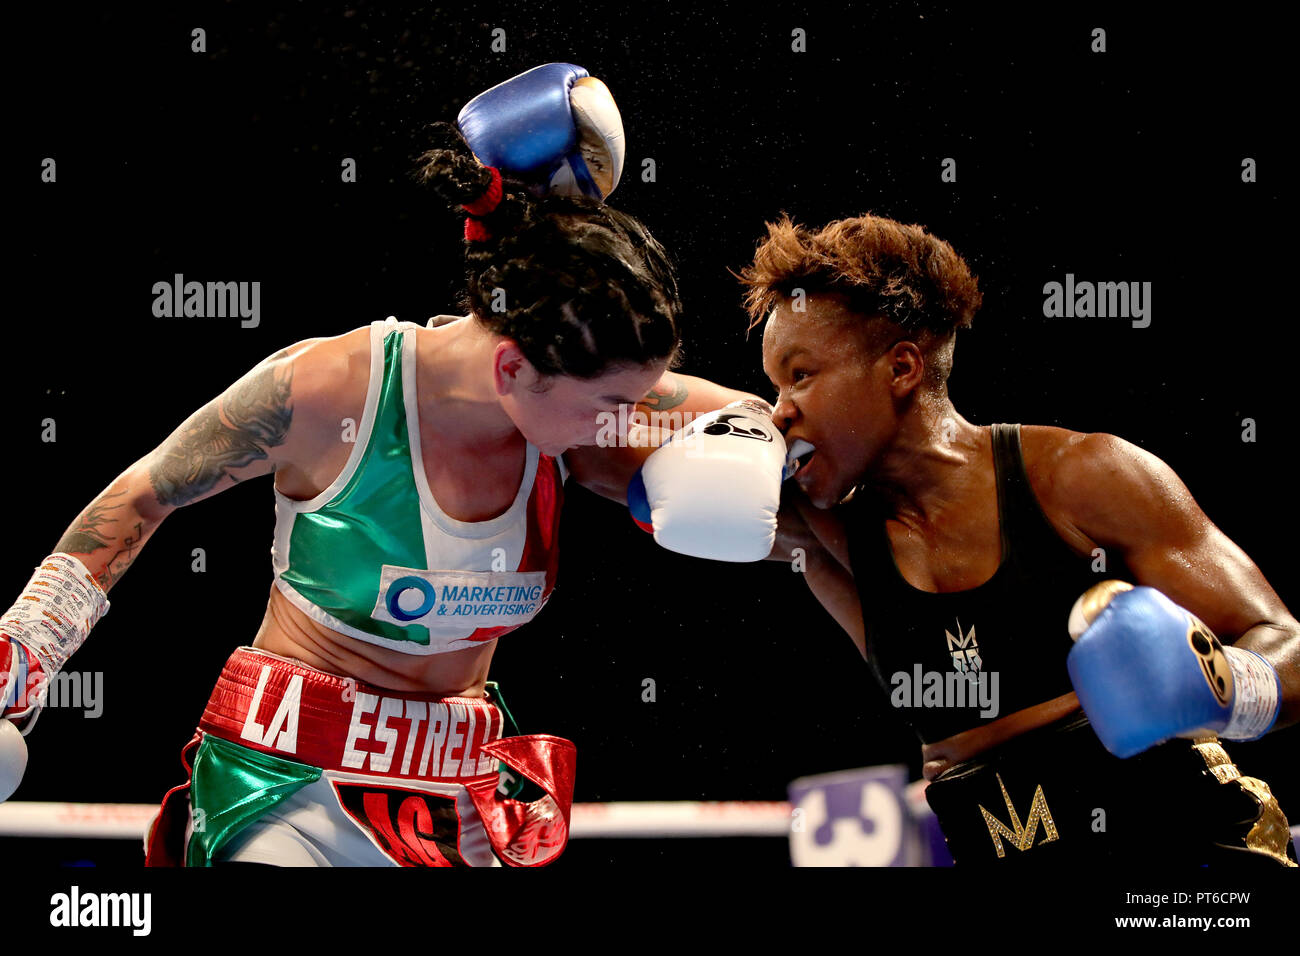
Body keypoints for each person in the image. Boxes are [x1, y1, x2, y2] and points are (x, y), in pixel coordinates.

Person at [0, 64, 757, 867]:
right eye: (607, 405)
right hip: (287, 787)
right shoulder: (333, 389)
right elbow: (147, 491)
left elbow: (751, 417)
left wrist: (757, 456)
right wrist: (26, 646)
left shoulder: (583, 381)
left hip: (458, 794)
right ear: (513, 371)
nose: (624, 424)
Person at [657, 210, 1298, 866]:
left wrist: (1226, 687)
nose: (780, 409)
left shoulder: (1080, 478)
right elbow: (611, 414)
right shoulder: (822, 528)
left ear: (901, 367)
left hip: (1191, 853)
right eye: (772, 386)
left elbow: (1286, 642)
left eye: (801, 375)